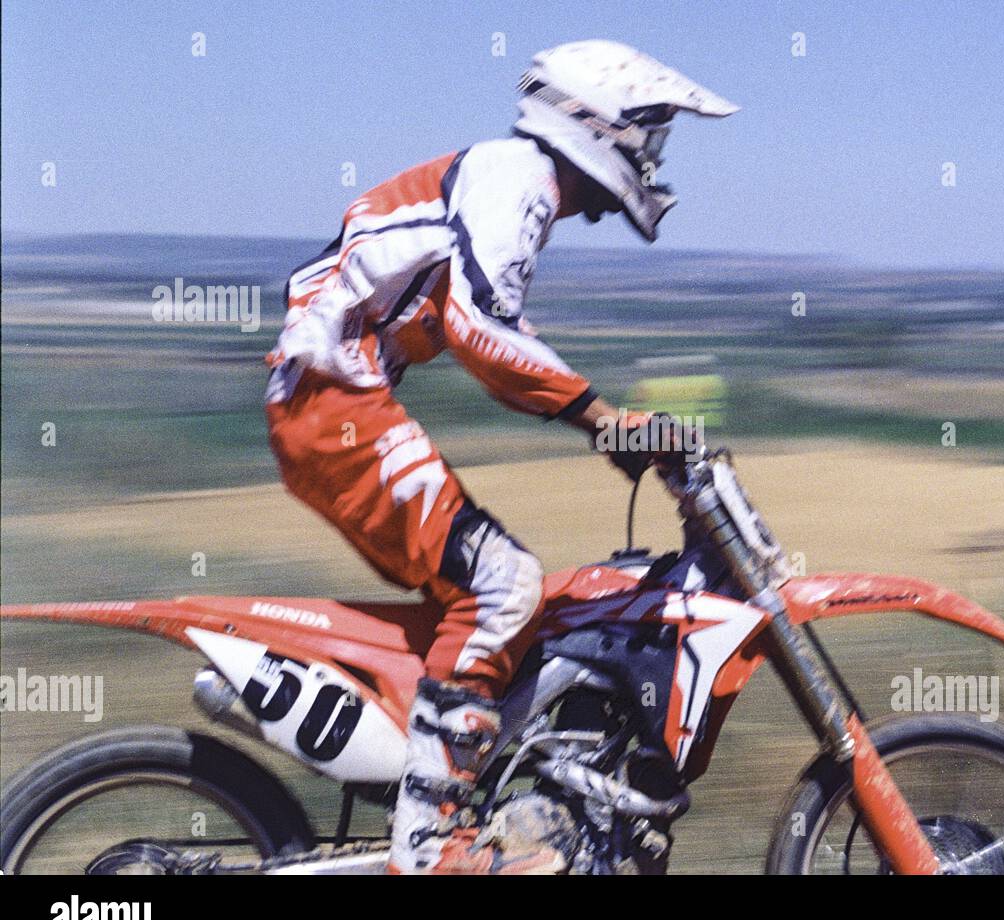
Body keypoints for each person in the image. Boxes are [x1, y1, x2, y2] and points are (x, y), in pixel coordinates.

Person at [263, 40, 736, 873]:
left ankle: (502, 781)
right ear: (598, 123)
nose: (650, 158)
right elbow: (483, 331)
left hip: (335, 404)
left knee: (526, 593)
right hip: (330, 409)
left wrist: (607, 427)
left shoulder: (515, 183)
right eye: (645, 137)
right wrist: (604, 420)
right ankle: (432, 839)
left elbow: (483, 328)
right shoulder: (515, 178)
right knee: (503, 585)